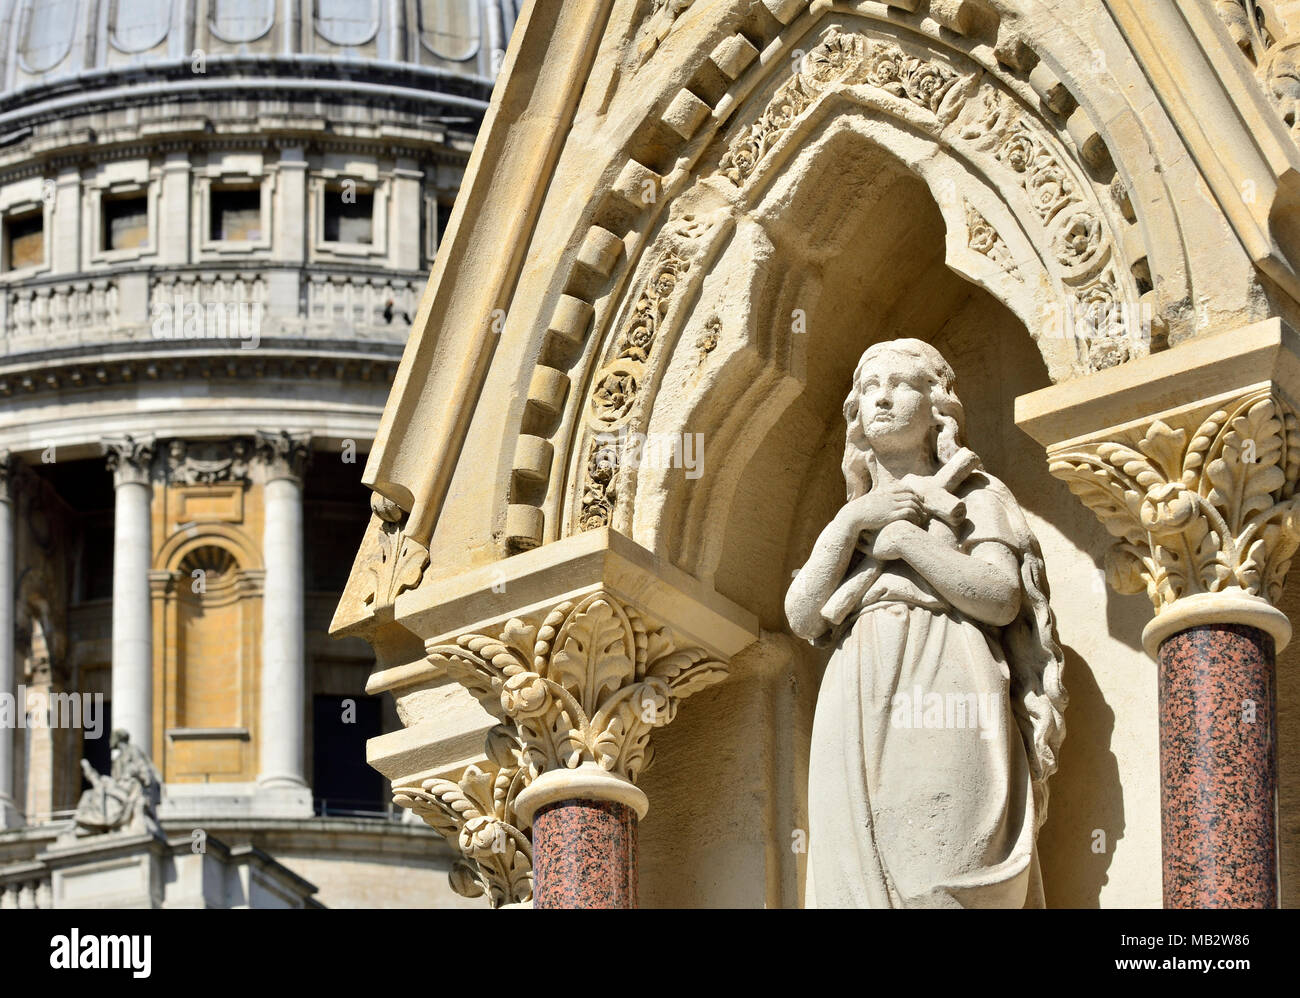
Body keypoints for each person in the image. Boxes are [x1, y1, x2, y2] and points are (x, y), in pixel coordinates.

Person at [785, 338, 1066, 907]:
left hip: (944, 679)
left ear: (937, 403)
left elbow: (1000, 596)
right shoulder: (850, 520)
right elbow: (801, 614)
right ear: (856, 415)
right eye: (869, 388)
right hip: (855, 690)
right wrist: (855, 522)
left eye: (900, 384)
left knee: (939, 871)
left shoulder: (971, 493)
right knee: (855, 882)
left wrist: (910, 542)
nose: (882, 399)